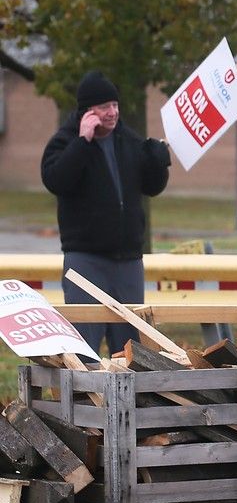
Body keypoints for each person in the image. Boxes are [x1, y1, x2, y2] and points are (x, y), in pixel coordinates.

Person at [40, 71, 171, 357]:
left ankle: (126, 389)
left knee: (132, 352)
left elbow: (152, 187)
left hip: (128, 263)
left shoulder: (129, 140)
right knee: (84, 349)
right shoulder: (65, 141)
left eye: (115, 105)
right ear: (87, 112)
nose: (112, 112)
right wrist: (82, 142)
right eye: (104, 107)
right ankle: (84, 388)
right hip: (86, 261)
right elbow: (56, 180)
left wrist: (159, 163)